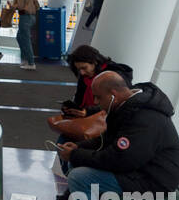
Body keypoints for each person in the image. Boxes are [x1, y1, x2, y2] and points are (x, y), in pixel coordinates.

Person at [60, 71, 179, 200]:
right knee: (79, 170)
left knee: (79, 177)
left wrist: (77, 155)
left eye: (99, 98)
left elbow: (122, 159)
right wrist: (78, 148)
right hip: (141, 170)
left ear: (113, 94)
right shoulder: (130, 108)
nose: (97, 103)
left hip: (154, 181)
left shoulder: (145, 118)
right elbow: (107, 141)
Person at [49, 45, 134, 186]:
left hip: (102, 124)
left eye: (84, 68)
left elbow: (114, 103)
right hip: (87, 121)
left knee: (75, 152)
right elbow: (82, 100)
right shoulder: (85, 78)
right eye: (79, 69)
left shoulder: (113, 77)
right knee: (63, 143)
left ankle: (73, 180)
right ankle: (69, 179)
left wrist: (88, 112)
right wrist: (73, 109)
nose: (81, 73)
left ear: (94, 62)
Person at [9, 0, 40, 69]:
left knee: (26, 40)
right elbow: (37, 5)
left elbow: (21, 6)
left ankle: (31, 63)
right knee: (20, 37)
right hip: (32, 17)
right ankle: (25, 59)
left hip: (25, 18)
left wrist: (12, 6)